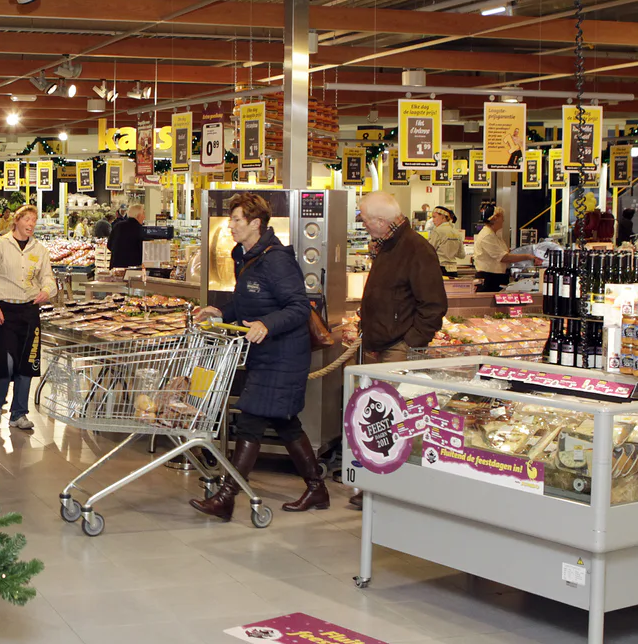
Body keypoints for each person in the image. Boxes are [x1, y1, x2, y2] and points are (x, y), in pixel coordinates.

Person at [191, 192, 321, 520]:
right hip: (265, 352)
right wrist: (218, 311)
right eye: (230, 219)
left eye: (237, 220)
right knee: (284, 420)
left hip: (284, 354)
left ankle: (226, 496)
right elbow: (247, 302)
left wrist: (267, 323)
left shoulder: (275, 259)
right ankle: (317, 488)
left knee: (249, 418)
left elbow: (298, 306)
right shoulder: (246, 256)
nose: (230, 226)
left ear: (255, 224)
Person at [353, 192, 448, 509]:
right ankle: (374, 482)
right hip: (377, 346)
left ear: (381, 221)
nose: (363, 224)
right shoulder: (387, 246)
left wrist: (410, 343)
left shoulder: (416, 249)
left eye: (365, 218)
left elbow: (433, 306)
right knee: (375, 420)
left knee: (394, 421)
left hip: (398, 350)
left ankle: (392, 485)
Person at [0, 205, 56, 432]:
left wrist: (47, 290)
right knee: (6, 360)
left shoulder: (40, 250)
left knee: (28, 362)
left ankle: (19, 413)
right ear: (17, 221)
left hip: (29, 311)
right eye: (27, 220)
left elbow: (48, 278)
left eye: (34, 221)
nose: (31, 225)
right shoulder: (0, 246)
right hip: (4, 311)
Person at [472, 207, 537, 293]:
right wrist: (527, 256)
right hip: (489, 279)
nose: (503, 220)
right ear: (495, 219)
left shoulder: (495, 235)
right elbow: (504, 257)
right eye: (502, 217)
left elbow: (506, 253)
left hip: (497, 277)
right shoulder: (487, 236)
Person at [428, 206, 464, 276]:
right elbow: (461, 255)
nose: (433, 220)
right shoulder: (457, 232)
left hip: (439, 268)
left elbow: (429, 251)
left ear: (443, 217)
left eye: (434, 217)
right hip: (453, 270)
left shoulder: (437, 231)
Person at [107, 203, 145, 269]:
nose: (144, 217)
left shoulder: (118, 226)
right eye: (143, 214)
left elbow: (109, 245)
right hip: (132, 268)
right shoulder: (140, 229)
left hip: (116, 266)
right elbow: (143, 251)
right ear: (138, 216)